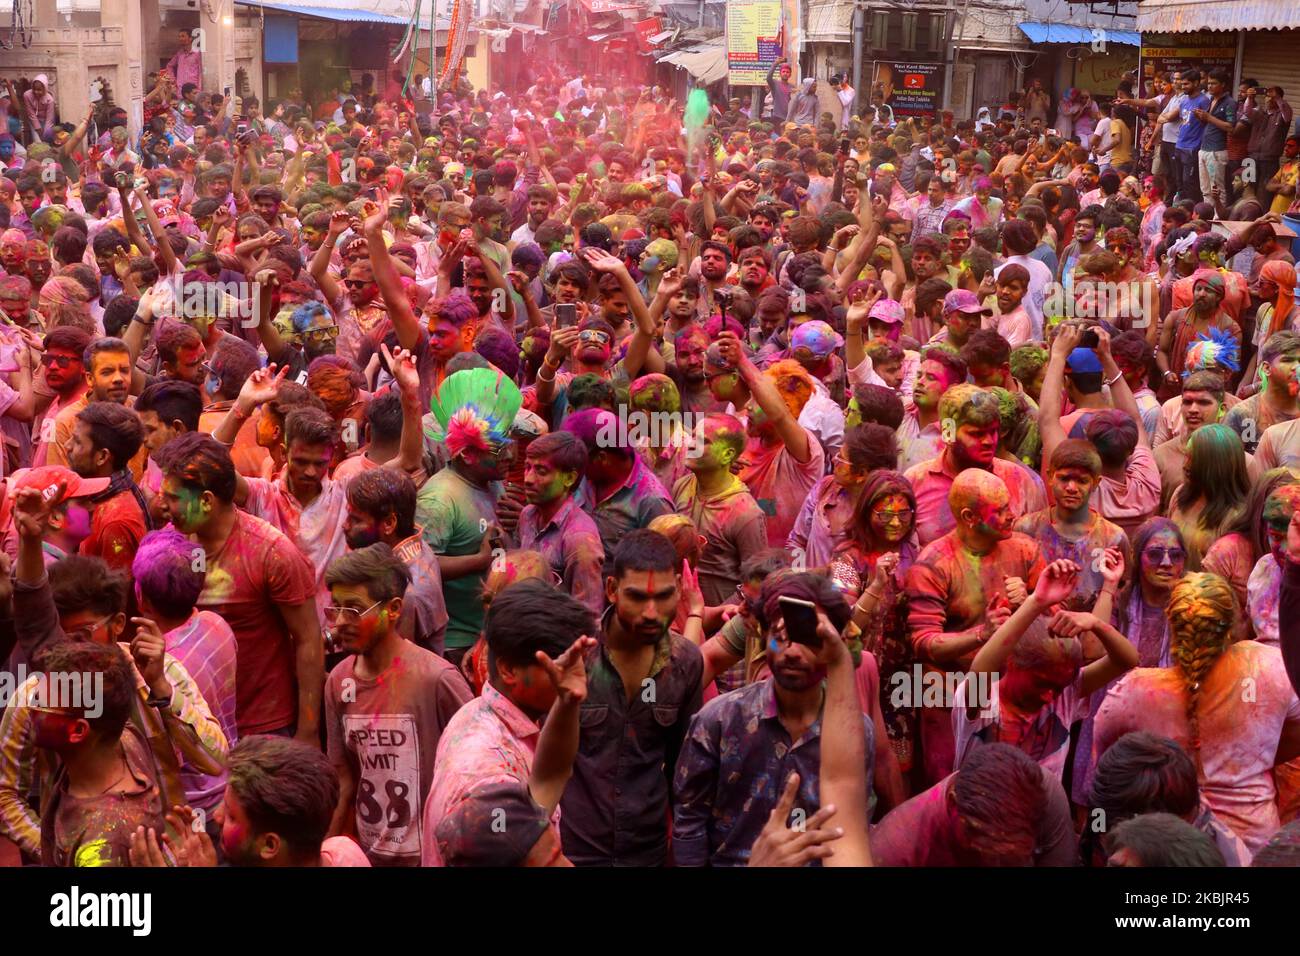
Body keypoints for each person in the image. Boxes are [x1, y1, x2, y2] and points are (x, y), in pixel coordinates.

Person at [673, 571, 872, 866]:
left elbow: (851, 823)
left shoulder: (853, 734)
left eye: (809, 639)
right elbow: (689, 826)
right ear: (763, 638)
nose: (791, 651)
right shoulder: (718, 720)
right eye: (779, 638)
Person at [1094, 572, 1300, 854]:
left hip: (1169, 849)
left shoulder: (1136, 690)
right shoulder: (1269, 666)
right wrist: (1255, 756)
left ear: (1172, 625)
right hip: (1255, 846)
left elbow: (1106, 762)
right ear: (1234, 622)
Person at [158, 432, 322, 743]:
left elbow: (308, 640)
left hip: (261, 730)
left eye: (173, 498)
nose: (161, 505)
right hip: (191, 725)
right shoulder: (168, 544)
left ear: (206, 500)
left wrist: (309, 730)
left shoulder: (271, 553)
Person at [421, 581, 595, 866]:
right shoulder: (488, 783)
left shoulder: (479, 714)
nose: (573, 672)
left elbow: (550, 779)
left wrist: (567, 701)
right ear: (509, 669)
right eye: (557, 663)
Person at [323, 544, 473, 866]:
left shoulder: (437, 679)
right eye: (335, 608)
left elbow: (474, 770)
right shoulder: (338, 682)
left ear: (392, 609)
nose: (339, 622)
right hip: (370, 855)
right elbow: (344, 776)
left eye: (353, 610)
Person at [562, 530, 703, 866]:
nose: (652, 613)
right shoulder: (575, 656)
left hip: (646, 850)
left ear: (680, 591)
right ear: (611, 590)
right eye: (638, 597)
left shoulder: (685, 663)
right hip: (572, 849)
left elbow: (684, 772)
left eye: (665, 596)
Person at [906, 468, 1045, 785]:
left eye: (1010, 506)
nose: (1013, 516)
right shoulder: (933, 563)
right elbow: (924, 642)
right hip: (949, 690)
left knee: (1010, 784)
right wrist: (981, 635)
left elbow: (1058, 620)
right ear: (969, 517)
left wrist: (1032, 602)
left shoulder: (1025, 550)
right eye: (1001, 511)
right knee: (950, 785)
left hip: (1010, 690)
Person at [871, 742, 1076, 866]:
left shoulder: (1045, 794)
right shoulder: (895, 850)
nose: (995, 863)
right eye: (984, 848)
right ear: (953, 804)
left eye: (1009, 855)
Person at [515, 429, 605, 615]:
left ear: (569, 478)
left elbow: (588, 616)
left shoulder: (580, 538)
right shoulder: (527, 516)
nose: (528, 479)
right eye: (527, 467)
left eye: (541, 471)